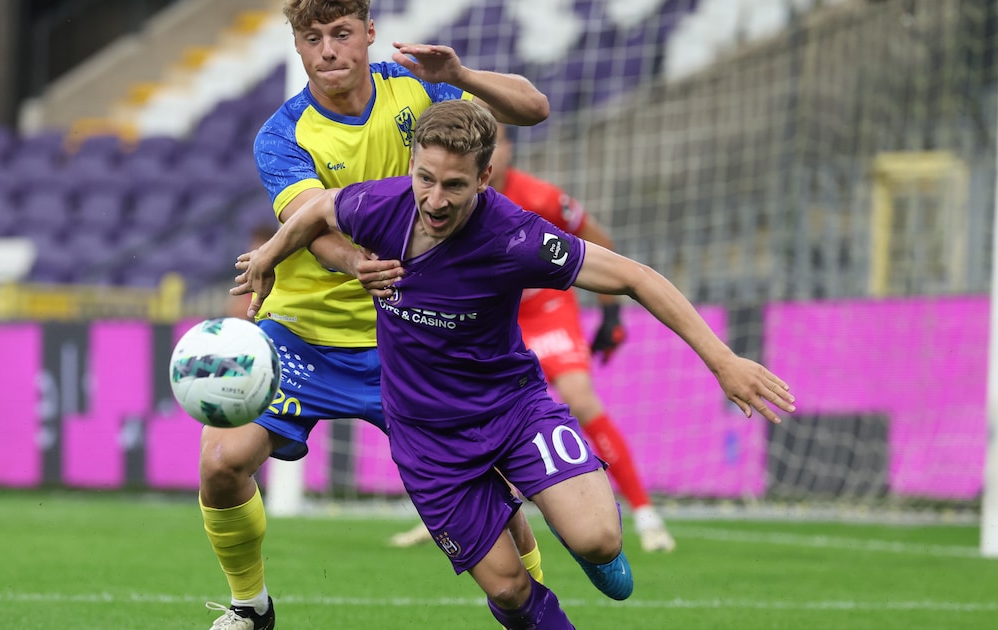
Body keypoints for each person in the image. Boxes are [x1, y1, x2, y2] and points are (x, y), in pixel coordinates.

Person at [234, 99, 795, 628]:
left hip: (513, 411)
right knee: (507, 590)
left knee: (598, 538)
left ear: (483, 178)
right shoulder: (378, 205)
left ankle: (593, 548)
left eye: (454, 185)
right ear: (411, 165)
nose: (434, 200)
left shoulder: (516, 237)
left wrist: (721, 361)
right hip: (425, 439)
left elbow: (635, 276)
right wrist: (267, 258)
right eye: (425, 179)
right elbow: (316, 211)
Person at [199, 2, 552, 628]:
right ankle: (251, 608)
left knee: (492, 495)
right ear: (298, 49)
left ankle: (533, 612)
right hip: (303, 335)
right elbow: (310, 221)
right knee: (222, 463)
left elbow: (532, 108)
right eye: (313, 39)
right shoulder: (283, 134)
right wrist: (356, 262)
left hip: (412, 342)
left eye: (341, 34)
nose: (329, 50)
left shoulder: (417, 88)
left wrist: (464, 75)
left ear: (368, 35)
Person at [387, 124, 676, 553]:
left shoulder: (541, 198)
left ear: (499, 153)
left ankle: (645, 513)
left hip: (546, 312)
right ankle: (461, 513)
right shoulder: (432, 204)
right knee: (469, 405)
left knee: (579, 397)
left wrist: (611, 312)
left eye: (502, 142)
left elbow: (599, 240)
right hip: (491, 322)